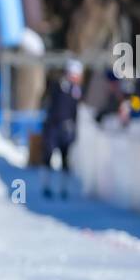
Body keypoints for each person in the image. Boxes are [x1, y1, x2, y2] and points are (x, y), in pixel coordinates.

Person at [39, 59, 82, 198]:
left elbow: (75, 111)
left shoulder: (76, 91)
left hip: (67, 128)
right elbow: (49, 102)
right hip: (53, 126)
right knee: (48, 155)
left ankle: (64, 188)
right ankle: (46, 186)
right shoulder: (58, 86)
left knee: (65, 158)